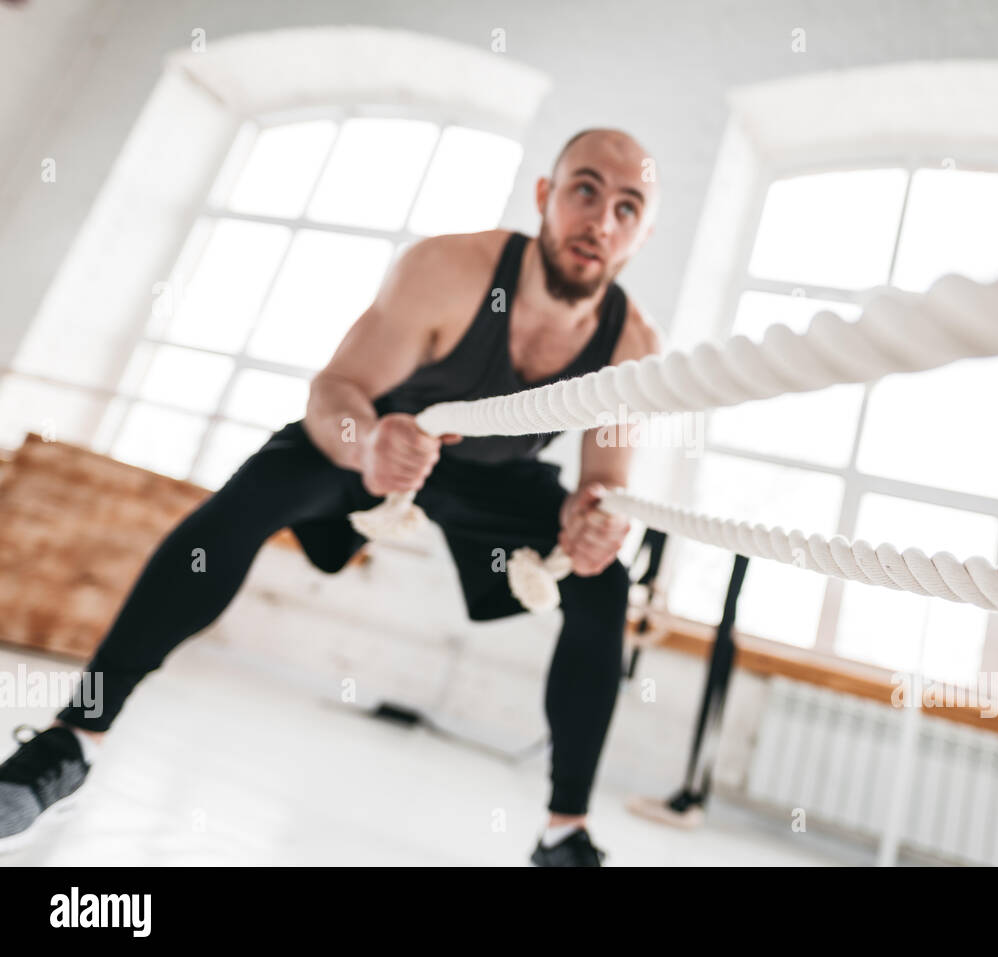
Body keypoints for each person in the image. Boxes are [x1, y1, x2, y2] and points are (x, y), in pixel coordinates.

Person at [0, 127, 664, 866]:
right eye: (585, 191)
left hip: (499, 476)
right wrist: (366, 443)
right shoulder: (451, 269)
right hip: (381, 431)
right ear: (545, 195)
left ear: (642, 233)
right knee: (246, 501)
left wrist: (595, 520)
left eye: (627, 207)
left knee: (605, 581)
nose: (601, 222)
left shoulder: (632, 342)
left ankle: (563, 832)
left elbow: (608, 480)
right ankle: (72, 738)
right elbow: (334, 391)